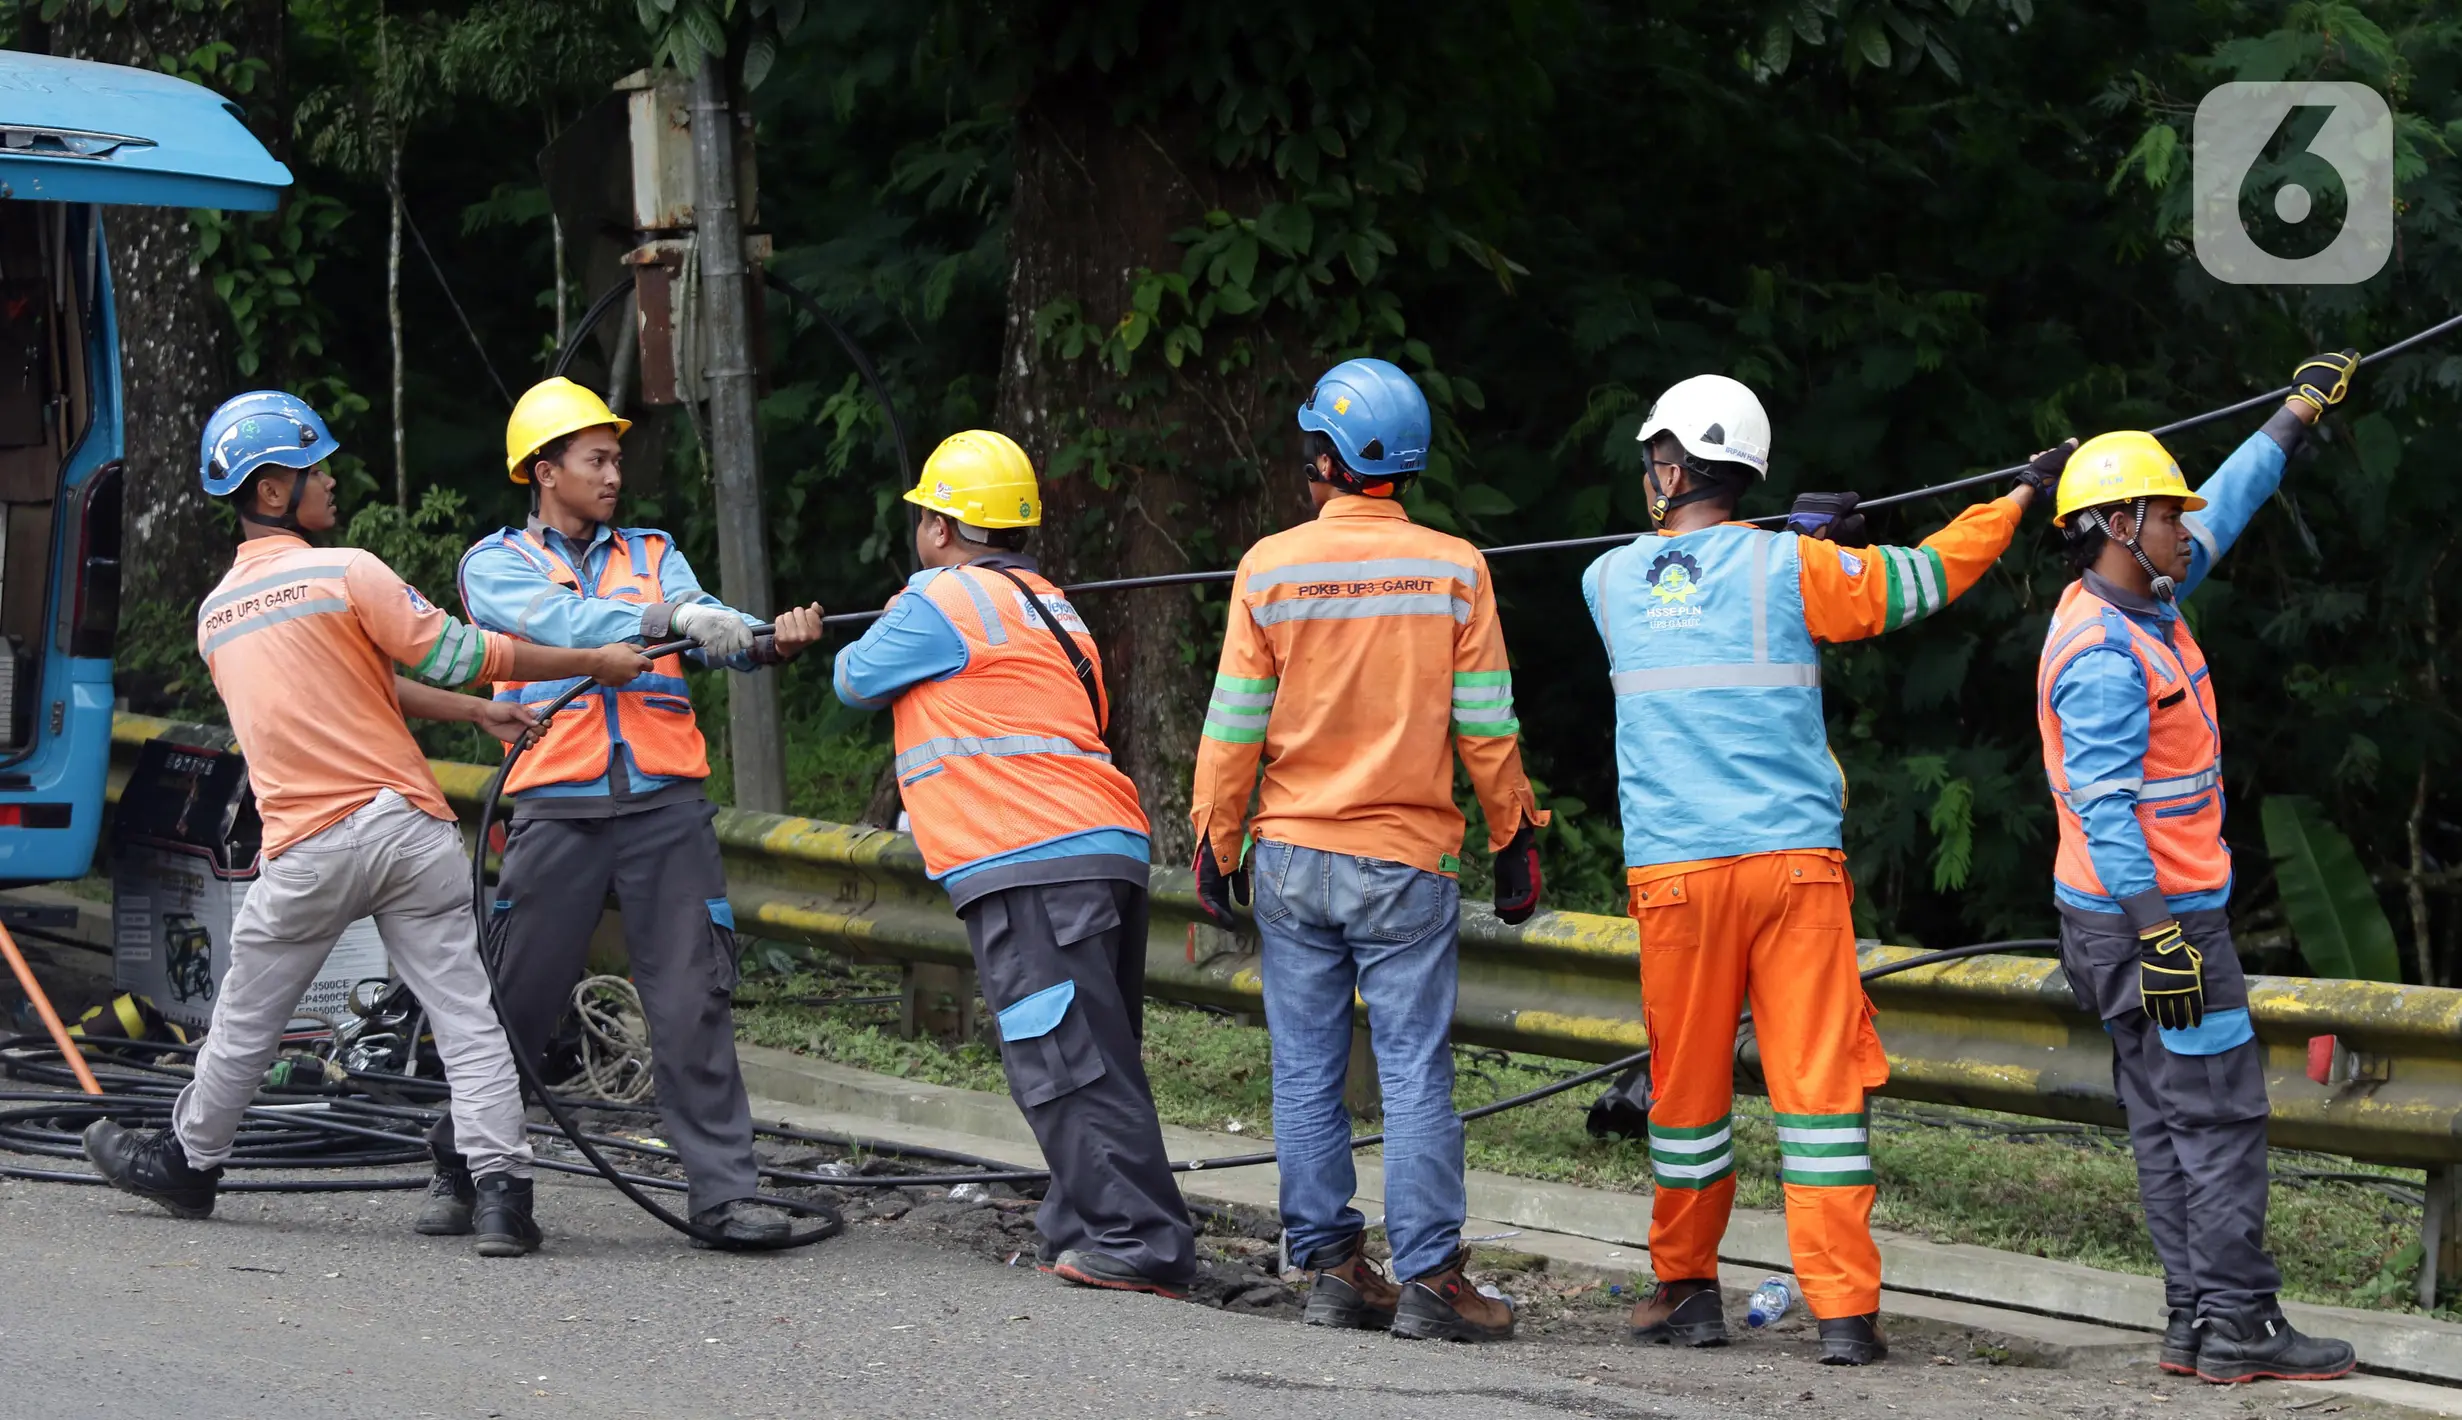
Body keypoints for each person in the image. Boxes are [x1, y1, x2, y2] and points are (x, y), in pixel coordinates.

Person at [81, 390, 651, 1258]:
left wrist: (470, 717)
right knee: (467, 1016)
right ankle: (503, 1196)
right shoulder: (347, 571)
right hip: (404, 830)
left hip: (306, 848)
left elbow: (349, 684)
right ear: (274, 493)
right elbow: (466, 649)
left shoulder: (214, 621)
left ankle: (190, 1164)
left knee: (243, 1020)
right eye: (318, 468)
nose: (333, 480)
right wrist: (594, 663)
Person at [1588, 373, 2059, 1364]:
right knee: (1819, 1096)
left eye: (1649, 462)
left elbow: (1694, 582)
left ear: (1672, 467)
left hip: (1675, 878)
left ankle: (1684, 1292)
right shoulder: (1792, 569)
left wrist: (1797, 543)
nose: (1644, 477)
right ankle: (1843, 1314)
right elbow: (1927, 577)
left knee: (1684, 1093)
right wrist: (2014, 496)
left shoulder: (1605, 584)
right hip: (1791, 871)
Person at [1189, 357, 1549, 1344]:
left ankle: (1332, 1268)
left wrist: (1213, 843)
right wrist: (1514, 836)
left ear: (1325, 459)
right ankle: (1431, 1280)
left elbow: (1232, 728)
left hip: (1292, 858)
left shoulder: (1266, 568)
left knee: (1304, 1070)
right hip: (1403, 861)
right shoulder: (1454, 568)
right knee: (1413, 1071)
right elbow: (1486, 727)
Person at [439, 377, 825, 1250]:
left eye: (616, 459)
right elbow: (562, 622)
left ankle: (724, 1196)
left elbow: (713, 627)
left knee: (693, 1000)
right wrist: (671, 616)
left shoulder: (654, 550)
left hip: (664, 806)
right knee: (518, 1002)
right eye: (597, 459)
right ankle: (461, 1160)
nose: (615, 473)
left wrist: (767, 638)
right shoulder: (494, 563)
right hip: (553, 808)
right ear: (545, 472)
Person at [2037, 351, 2362, 1386]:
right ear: (2120, 525)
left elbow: (2226, 499)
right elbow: (2104, 807)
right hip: (2154, 922)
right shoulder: (2098, 652)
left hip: (2126, 921)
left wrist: (2294, 413)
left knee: (2166, 1118)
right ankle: (2239, 1324)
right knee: (2217, 1115)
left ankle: (2193, 1322)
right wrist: (2161, 935)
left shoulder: (2146, 595)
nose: (2188, 526)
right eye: (2167, 514)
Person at [831, 428, 1196, 1296]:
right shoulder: (1054, 609)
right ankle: (1079, 1223)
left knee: (1062, 1056)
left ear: (944, 529)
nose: (918, 529)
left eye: (924, 515)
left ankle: (1142, 1240)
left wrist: (888, 610)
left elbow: (851, 678)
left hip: (1029, 856)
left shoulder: (940, 600)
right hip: (1105, 848)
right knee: (1094, 1050)